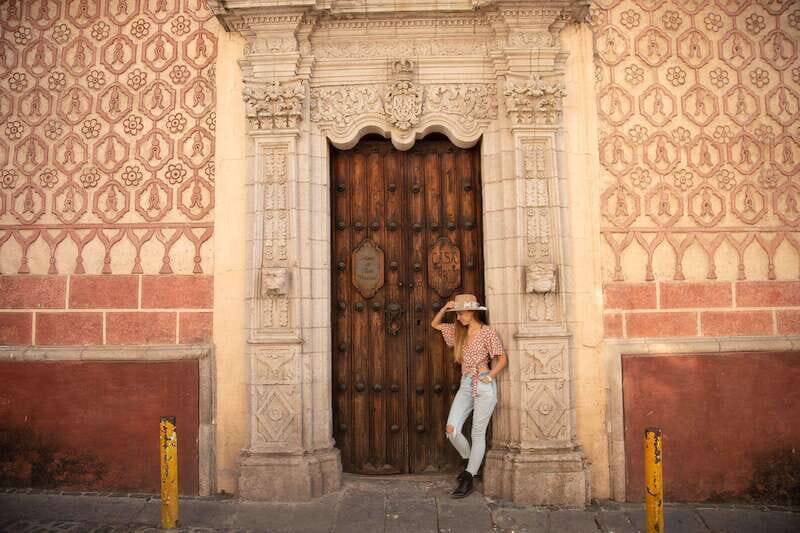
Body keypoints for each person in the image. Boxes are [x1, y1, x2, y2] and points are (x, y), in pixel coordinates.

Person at [430, 293, 508, 498]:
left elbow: (502, 358)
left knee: (477, 433)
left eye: (461, 313)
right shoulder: (458, 332)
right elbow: (435, 324)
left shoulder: (487, 333)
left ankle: (468, 477)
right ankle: (468, 459)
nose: (458, 317)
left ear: (472, 312)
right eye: (457, 314)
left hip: (483, 383)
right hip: (466, 383)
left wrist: (490, 376)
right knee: (451, 430)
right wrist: (445, 308)